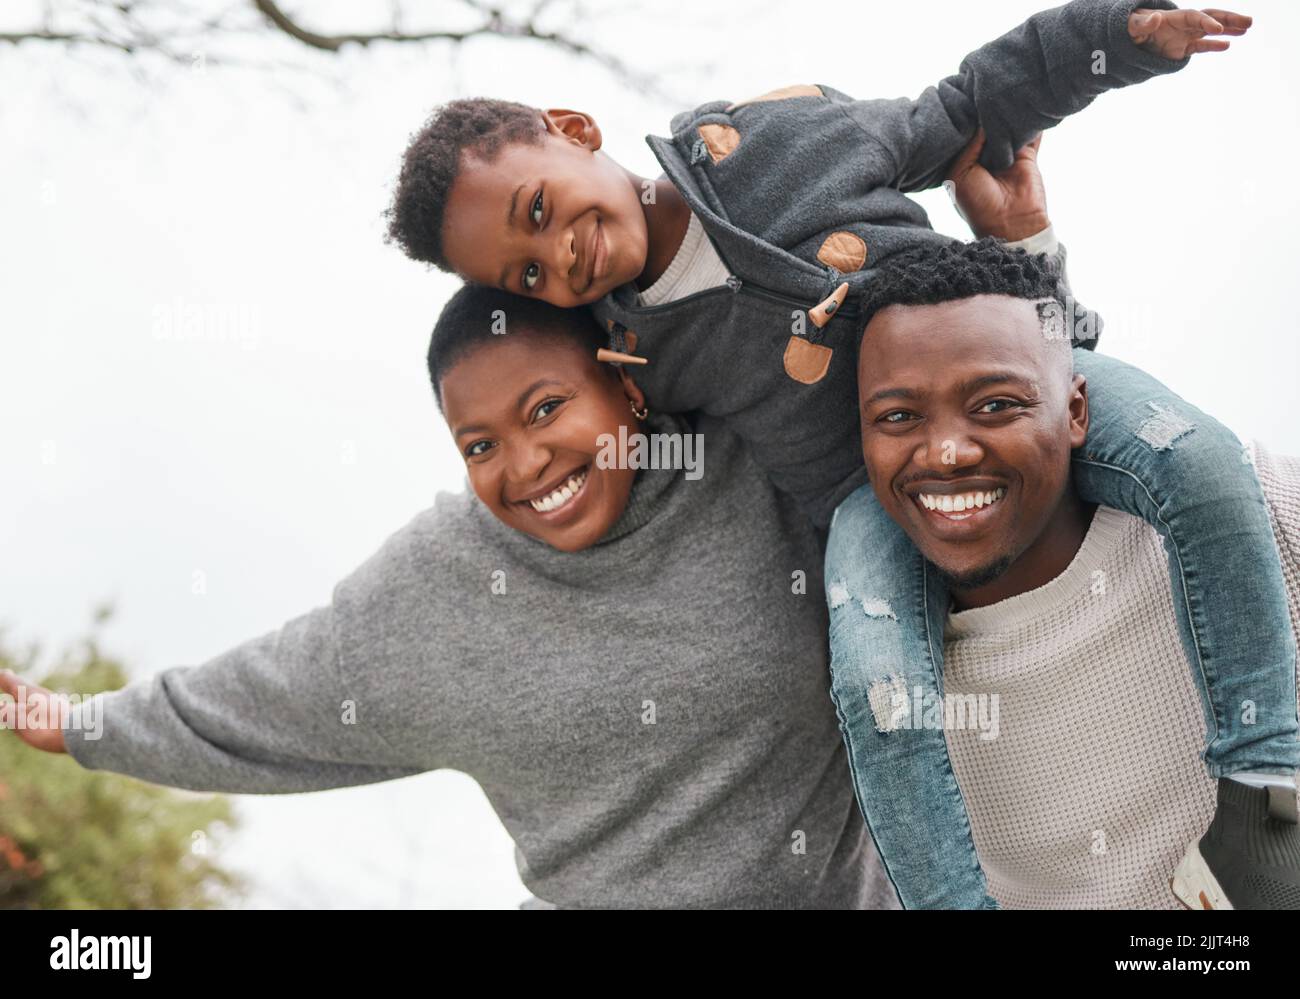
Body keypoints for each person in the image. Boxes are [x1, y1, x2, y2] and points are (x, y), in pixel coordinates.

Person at [383, 2, 1295, 907]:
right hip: (873, 504)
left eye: (538, 210)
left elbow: (967, 107)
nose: (559, 257)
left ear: (575, 131)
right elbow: (613, 466)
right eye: (527, 275)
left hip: (1025, 394)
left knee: (1200, 460)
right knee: (871, 678)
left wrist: (1111, 41)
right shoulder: (629, 348)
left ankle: (1266, 777)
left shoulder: (777, 140)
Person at [0, 285, 898, 909]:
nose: (524, 463)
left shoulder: (755, 467)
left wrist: (1019, 241)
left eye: (546, 409)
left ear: (624, 381)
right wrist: (78, 722)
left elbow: (950, 433)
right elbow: (262, 695)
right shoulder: (437, 588)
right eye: (479, 446)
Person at [833, 237, 1300, 908]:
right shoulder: (868, 666)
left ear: (1078, 411)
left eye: (995, 404)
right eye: (899, 416)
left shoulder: (1260, 520)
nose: (948, 451)